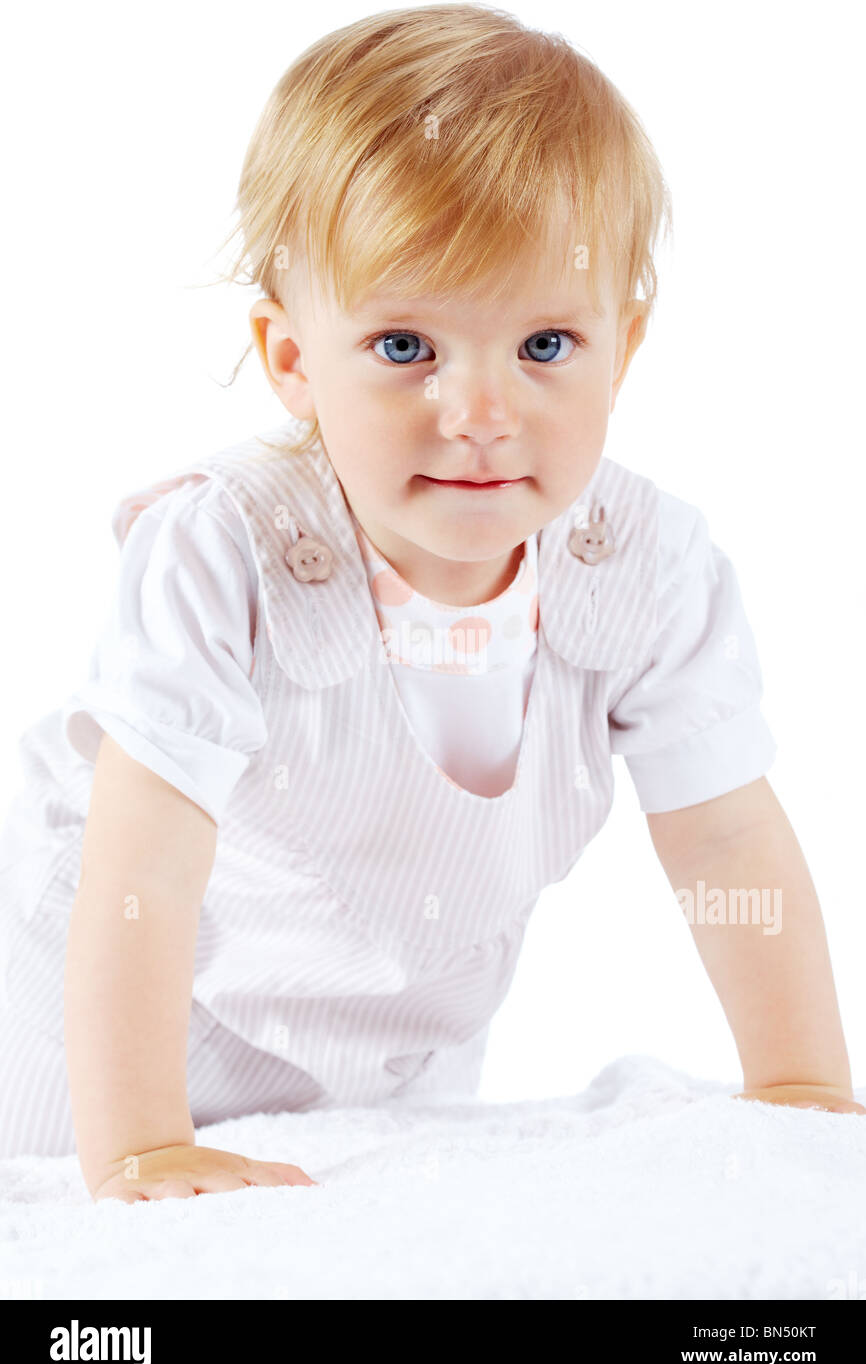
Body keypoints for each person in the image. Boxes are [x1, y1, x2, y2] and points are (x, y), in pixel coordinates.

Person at [1, 4, 861, 1204]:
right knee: (64, 1204)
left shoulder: (647, 566)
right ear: (293, 358)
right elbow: (141, 858)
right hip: (105, 1010)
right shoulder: (222, 556)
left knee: (375, 1225)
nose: (478, 412)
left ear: (626, 343)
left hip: (396, 1032)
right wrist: (140, 1142)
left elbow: (724, 835)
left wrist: (803, 1089)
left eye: (545, 344)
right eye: (405, 345)